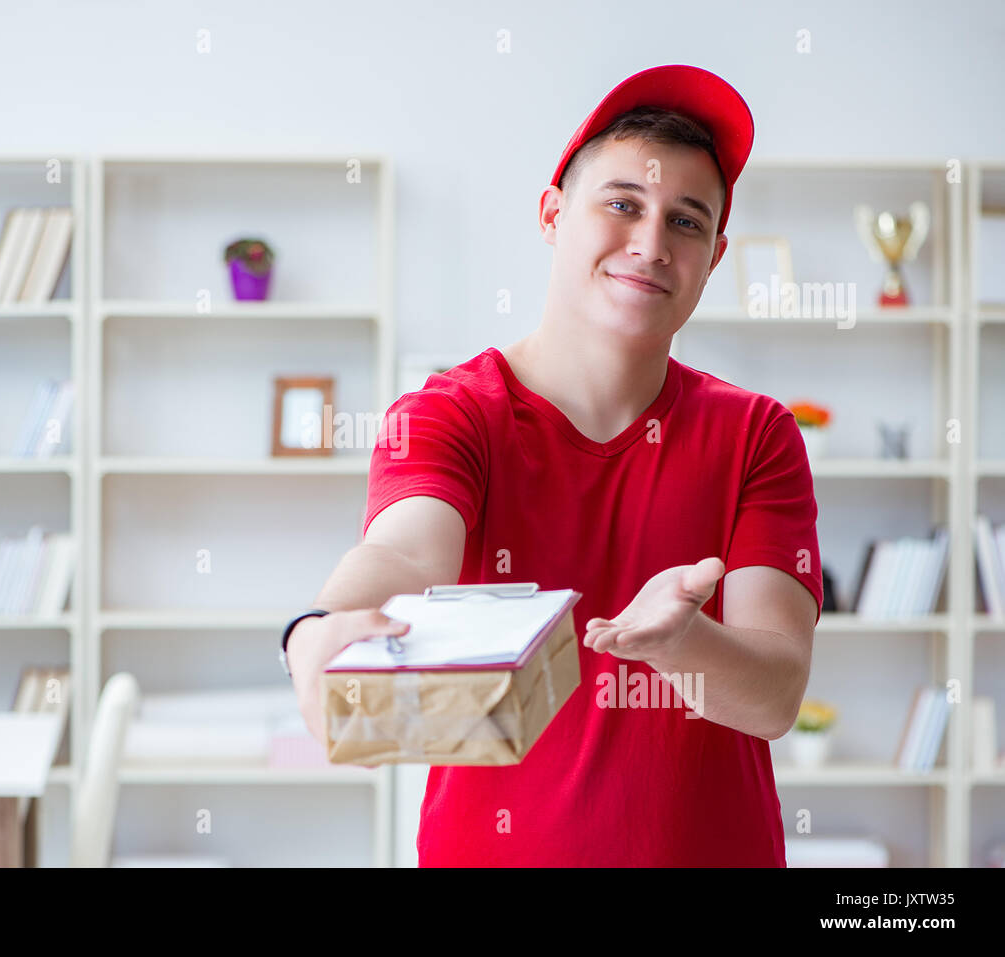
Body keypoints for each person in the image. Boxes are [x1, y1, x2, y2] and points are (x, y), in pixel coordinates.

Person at [280, 64, 822, 867]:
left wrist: (679, 643)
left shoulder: (758, 434)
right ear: (551, 213)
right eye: (622, 204)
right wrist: (316, 631)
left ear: (714, 257)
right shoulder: (450, 412)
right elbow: (402, 551)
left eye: (685, 221)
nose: (649, 243)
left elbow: (774, 692)